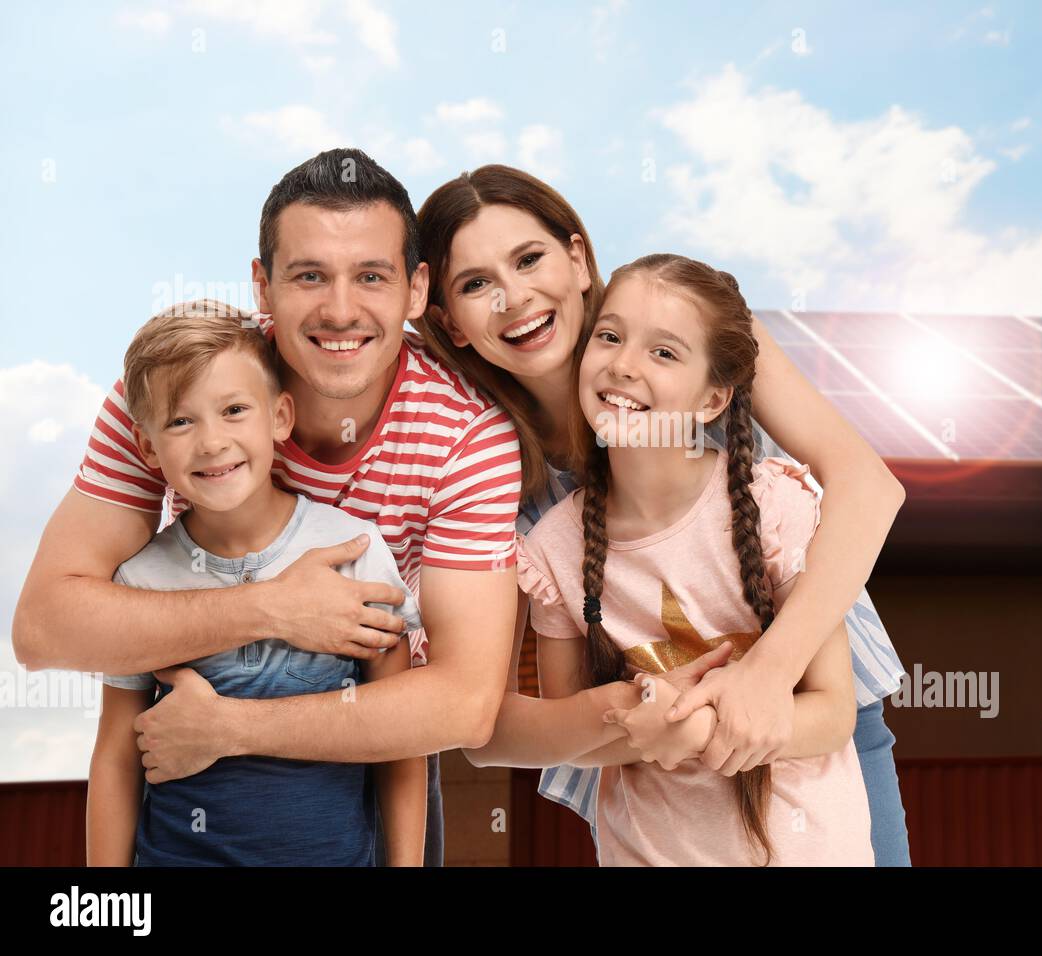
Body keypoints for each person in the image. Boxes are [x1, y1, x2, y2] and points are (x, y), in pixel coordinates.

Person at [14, 148, 523, 866]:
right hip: (187, 780)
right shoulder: (174, 396)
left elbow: (461, 705)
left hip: (365, 748)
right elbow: (43, 631)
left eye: (371, 277)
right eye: (309, 275)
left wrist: (230, 728)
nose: (340, 310)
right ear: (263, 286)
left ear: (415, 290)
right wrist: (273, 608)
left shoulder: (469, 438)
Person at [419, 165, 912, 864]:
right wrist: (643, 720)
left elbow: (867, 486)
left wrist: (766, 676)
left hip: (811, 713)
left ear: (578, 259)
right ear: (449, 323)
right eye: (475, 284)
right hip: (651, 778)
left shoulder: (690, 315)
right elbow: (484, 723)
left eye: (529, 259)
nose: (514, 296)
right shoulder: (492, 469)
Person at [497, 253, 873, 865]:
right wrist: (629, 722)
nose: (622, 365)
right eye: (610, 337)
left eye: (664, 352)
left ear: (712, 400)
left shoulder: (771, 503)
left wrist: (689, 731)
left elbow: (833, 714)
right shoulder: (553, 551)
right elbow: (569, 734)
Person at [88, 303, 425, 866]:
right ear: (148, 448)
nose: (211, 442)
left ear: (280, 418)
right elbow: (116, 755)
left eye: (234, 410)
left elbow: (399, 740)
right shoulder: (140, 582)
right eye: (179, 420)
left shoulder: (354, 552)